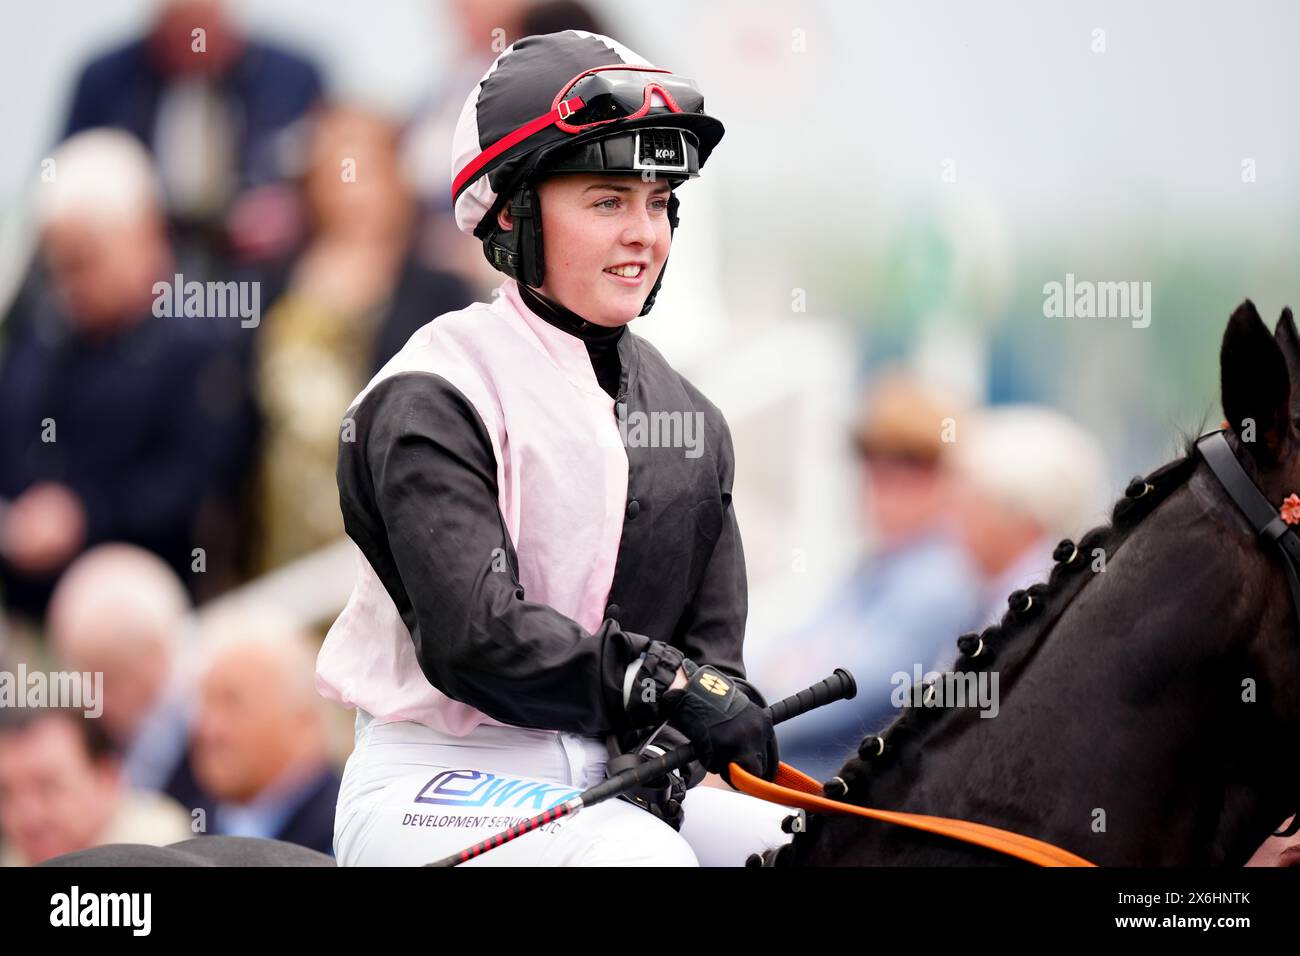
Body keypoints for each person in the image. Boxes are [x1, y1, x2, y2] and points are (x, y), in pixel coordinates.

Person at [317, 30, 795, 866]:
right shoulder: (430, 391)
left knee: (824, 846)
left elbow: (714, 658)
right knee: (640, 862)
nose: (643, 233)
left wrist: (690, 726)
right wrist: (658, 682)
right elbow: (475, 635)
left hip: (611, 776)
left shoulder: (694, 419)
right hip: (437, 776)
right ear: (512, 212)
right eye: (608, 201)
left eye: (657, 203)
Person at [756, 371, 981, 781]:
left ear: (942, 480)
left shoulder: (939, 581)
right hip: (795, 775)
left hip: (842, 798)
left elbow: (846, 693)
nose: (880, 492)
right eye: (875, 473)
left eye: (903, 476)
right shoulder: (878, 566)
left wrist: (741, 726)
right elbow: (787, 650)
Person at [191, 605, 340, 855]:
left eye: (233, 703)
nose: (209, 728)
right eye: (205, 704)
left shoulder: (346, 839)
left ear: (301, 719)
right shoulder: (191, 834)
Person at [0, 707, 193, 866]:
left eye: (47, 787)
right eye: (5, 793)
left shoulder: (161, 849)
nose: (28, 816)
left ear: (107, 778)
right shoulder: (12, 855)